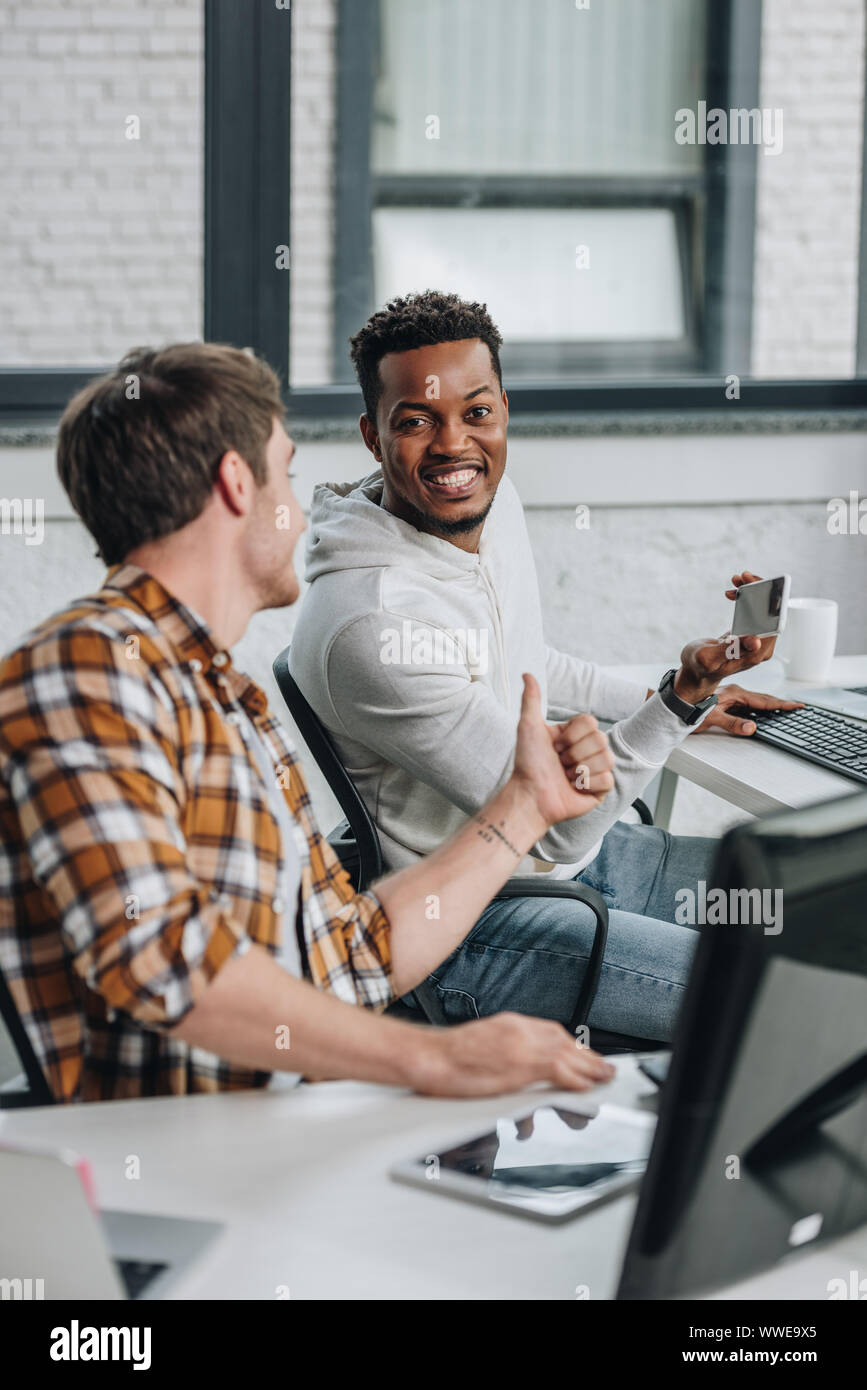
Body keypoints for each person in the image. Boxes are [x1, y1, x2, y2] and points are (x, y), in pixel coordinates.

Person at [0, 342, 618, 1104]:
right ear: (236, 483)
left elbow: (354, 955)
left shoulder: (223, 698)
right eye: (285, 473)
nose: (298, 512)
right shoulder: (89, 667)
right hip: (188, 1176)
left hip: (300, 1133)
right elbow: (163, 959)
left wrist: (522, 807)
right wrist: (433, 1060)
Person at [289, 291, 801, 1040]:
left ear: (504, 411)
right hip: (479, 925)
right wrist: (678, 703)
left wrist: (676, 694)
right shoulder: (375, 624)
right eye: (415, 421)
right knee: (781, 1001)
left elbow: (527, 664)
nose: (453, 446)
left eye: (476, 412)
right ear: (372, 435)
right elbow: (551, 827)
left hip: (585, 866)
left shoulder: (490, 511)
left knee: (823, 916)